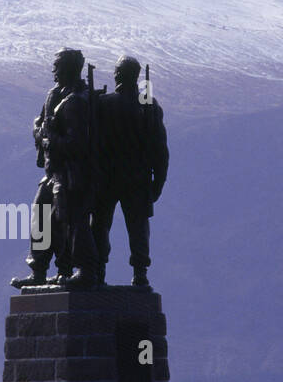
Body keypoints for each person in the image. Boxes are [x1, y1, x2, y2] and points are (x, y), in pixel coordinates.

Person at [11, 47, 101, 289]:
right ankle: (38, 269)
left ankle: (84, 269)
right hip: (53, 172)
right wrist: (42, 136)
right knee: (40, 214)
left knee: (73, 221)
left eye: (58, 66)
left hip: (73, 173)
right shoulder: (53, 95)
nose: (53, 71)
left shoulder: (79, 102)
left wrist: (51, 141)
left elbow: (77, 144)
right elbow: (38, 124)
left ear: (70, 69)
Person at [92, 55, 168, 288]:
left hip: (105, 178)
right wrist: (158, 182)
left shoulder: (102, 104)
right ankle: (140, 273)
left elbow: (90, 144)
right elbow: (160, 149)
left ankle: (98, 270)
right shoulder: (150, 106)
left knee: (100, 225)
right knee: (138, 228)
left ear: (117, 75)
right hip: (137, 178)